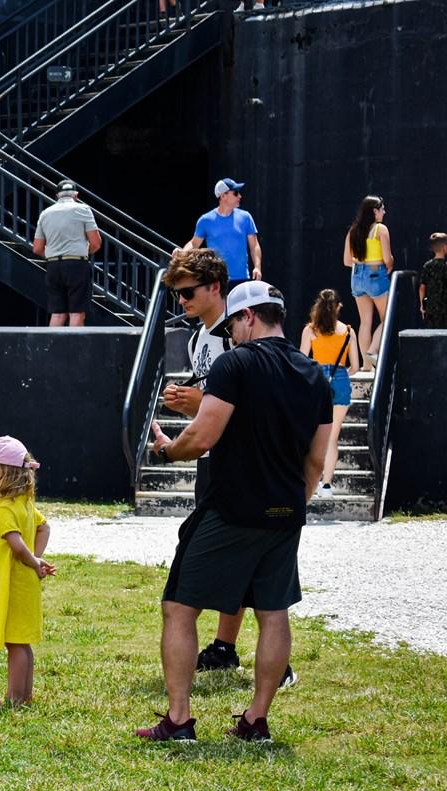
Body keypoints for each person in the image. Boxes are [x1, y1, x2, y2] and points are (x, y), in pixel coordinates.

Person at [139, 281, 332, 742]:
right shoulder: (315, 375)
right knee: (273, 613)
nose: (228, 335)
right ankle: (255, 720)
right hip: (285, 512)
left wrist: (167, 452)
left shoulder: (234, 363)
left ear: (248, 317)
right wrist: (295, 504)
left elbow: (203, 438)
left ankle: (180, 720)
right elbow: (316, 459)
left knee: (179, 609)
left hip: (231, 508)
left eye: (231, 325)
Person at [160, 250, 298, 688]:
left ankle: (254, 655)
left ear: (215, 287)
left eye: (188, 292)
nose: (181, 301)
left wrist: (196, 407)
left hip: (243, 465)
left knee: (243, 564)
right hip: (214, 459)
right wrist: (192, 406)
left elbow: (250, 407)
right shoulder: (200, 339)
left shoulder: (238, 339)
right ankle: (226, 646)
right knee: (239, 561)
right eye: (176, 294)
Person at [0, 436, 55, 707]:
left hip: (14, 583)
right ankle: (25, 696)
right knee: (23, 643)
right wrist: (37, 558)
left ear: (1, 472)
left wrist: (32, 560)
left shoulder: (5, 509)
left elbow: (16, 546)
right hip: (25, 582)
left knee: (14, 645)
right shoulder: (25, 505)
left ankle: (14, 698)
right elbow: (44, 527)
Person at [300, 289, 361, 498]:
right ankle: (326, 485)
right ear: (337, 308)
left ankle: (311, 482)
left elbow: (302, 360)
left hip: (317, 380)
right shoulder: (348, 331)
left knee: (316, 435)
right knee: (333, 437)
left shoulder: (310, 330)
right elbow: (355, 366)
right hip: (341, 379)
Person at [32, 180, 102, 327]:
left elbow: (37, 248)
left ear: (57, 195)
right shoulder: (83, 209)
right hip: (76, 264)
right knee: (76, 313)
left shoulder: (45, 213)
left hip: (53, 266)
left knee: (57, 314)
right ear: (76, 195)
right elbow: (96, 242)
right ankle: (73, 350)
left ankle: (51, 349)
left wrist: (53, 255)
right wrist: (83, 252)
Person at [176, 178, 262, 290]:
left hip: (242, 279)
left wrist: (257, 267)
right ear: (223, 196)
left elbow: (254, 245)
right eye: (236, 193)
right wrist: (182, 253)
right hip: (216, 279)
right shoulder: (205, 220)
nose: (239, 196)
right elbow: (194, 243)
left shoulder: (246, 217)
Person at [343, 195, 394, 365]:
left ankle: (366, 365)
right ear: (375, 211)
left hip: (357, 276)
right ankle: (373, 350)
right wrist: (389, 263)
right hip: (376, 274)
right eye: (382, 209)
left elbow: (347, 261)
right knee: (386, 318)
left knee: (365, 322)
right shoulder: (381, 229)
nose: (384, 212)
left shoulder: (353, 231)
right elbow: (387, 258)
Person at [419, 232, 447, 328]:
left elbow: (422, 287)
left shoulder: (427, 266)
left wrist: (422, 305)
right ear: (444, 247)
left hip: (431, 309)